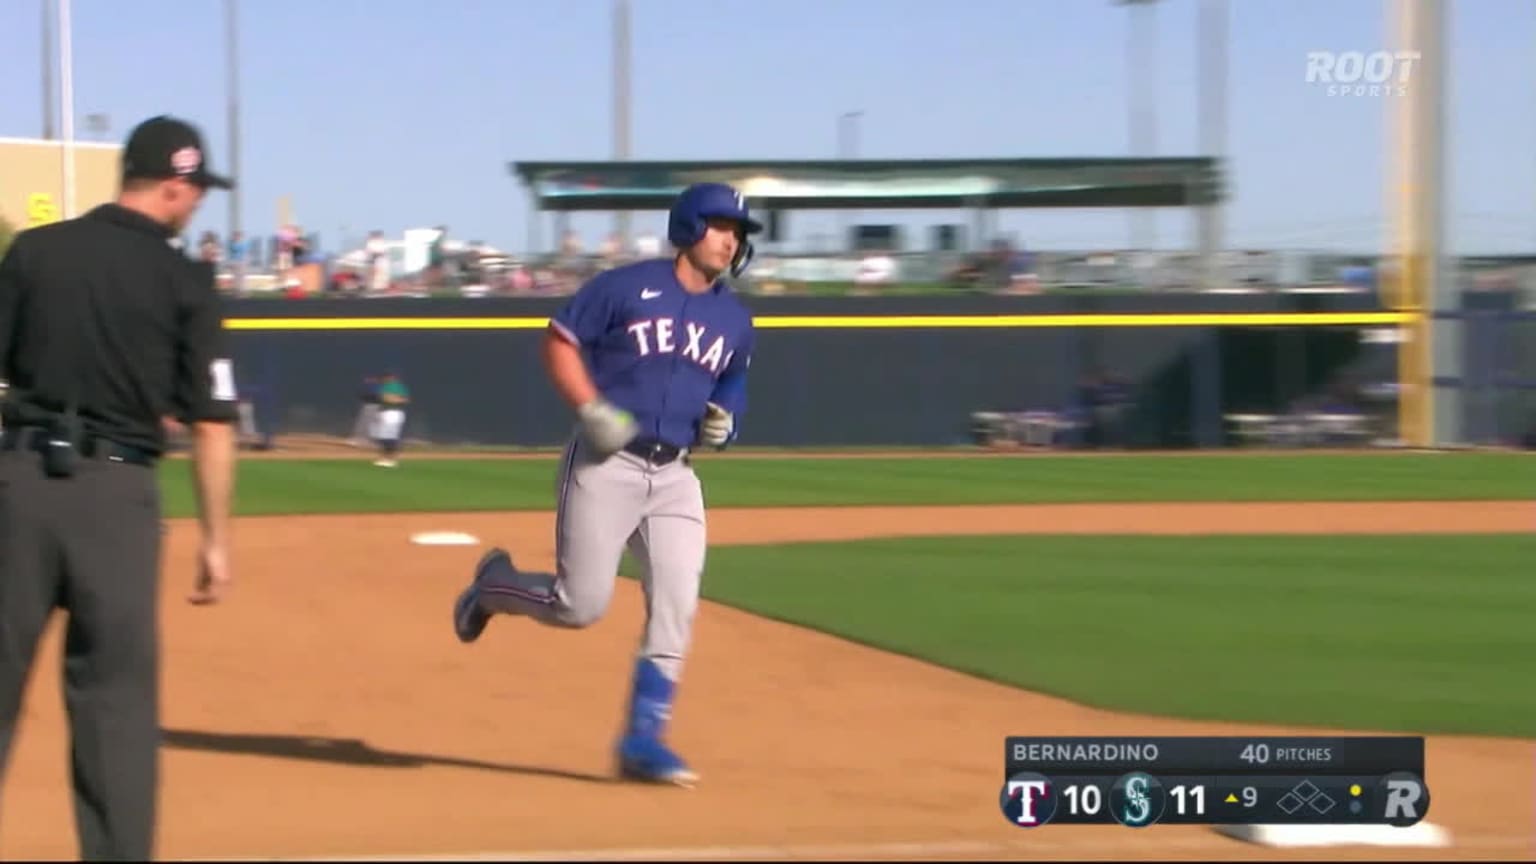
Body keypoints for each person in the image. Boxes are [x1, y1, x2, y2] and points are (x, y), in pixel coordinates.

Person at [450, 182, 760, 787]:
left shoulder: (735, 319)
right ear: (690, 225)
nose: (732, 239)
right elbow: (560, 340)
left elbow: (732, 388)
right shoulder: (625, 288)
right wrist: (590, 405)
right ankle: (492, 586)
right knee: (579, 606)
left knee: (677, 601)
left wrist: (728, 423)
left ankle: (643, 738)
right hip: (605, 463)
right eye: (722, 226)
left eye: (739, 232)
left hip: (675, 475)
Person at [0, 114, 239, 859]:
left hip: (18, 487)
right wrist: (216, 541)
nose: (198, 202)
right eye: (196, 190)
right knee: (114, 707)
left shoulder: (35, 253)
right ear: (173, 185)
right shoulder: (186, 282)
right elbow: (211, 424)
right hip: (118, 499)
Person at [371, 372, 410, 467]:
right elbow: (404, 400)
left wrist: (392, 398)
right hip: (396, 414)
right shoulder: (400, 387)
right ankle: (387, 458)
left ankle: (390, 459)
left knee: (388, 438)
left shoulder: (387, 386)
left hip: (390, 414)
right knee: (387, 438)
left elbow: (385, 398)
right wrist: (396, 399)